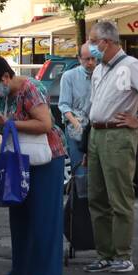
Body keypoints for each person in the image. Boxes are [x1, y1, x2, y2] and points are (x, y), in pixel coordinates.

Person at [83, 20, 138, 274]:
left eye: (93, 41)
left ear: (106, 42)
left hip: (118, 135)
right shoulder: (100, 69)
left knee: (119, 197)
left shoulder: (130, 65)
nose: (90, 46)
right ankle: (105, 254)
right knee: (97, 198)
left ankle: (122, 255)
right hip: (97, 134)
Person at [0, 55, 67, 275]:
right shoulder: (6, 95)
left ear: (6, 77)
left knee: (43, 217)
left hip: (46, 158)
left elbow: (45, 124)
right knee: (19, 216)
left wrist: (9, 124)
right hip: (20, 160)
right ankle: (20, 273)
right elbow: (6, 122)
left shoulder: (30, 88)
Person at [57, 42, 96, 178]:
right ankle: (79, 196)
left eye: (93, 59)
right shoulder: (69, 76)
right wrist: (75, 122)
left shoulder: (101, 75)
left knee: (96, 173)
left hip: (96, 128)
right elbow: (63, 105)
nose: (91, 63)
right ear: (79, 59)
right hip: (76, 128)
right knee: (80, 171)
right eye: (87, 59)